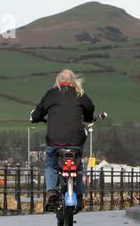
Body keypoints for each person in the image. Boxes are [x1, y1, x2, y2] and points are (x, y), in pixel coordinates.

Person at [30, 69, 95, 211]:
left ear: (58, 80)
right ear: (74, 81)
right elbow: (90, 109)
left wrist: (36, 118)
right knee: (77, 168)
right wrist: (88, 118)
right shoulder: (81, 95)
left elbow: (37, 114)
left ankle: (51, 191)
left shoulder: (52, 94)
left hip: (55, 141)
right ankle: (78, 197)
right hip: (75, 142)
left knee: (51, 166)